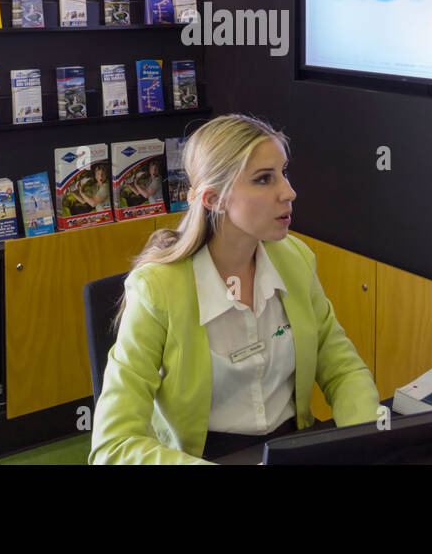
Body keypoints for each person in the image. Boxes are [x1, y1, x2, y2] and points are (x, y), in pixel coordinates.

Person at [90, 114, 380, 464]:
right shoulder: (157, 288)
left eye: (283, 173)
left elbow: (343, 370)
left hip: (292, 447)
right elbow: (114, 446)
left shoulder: (296, 260)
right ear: (214, 199)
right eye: (263, 179)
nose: (289, 192)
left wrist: (363, 443)